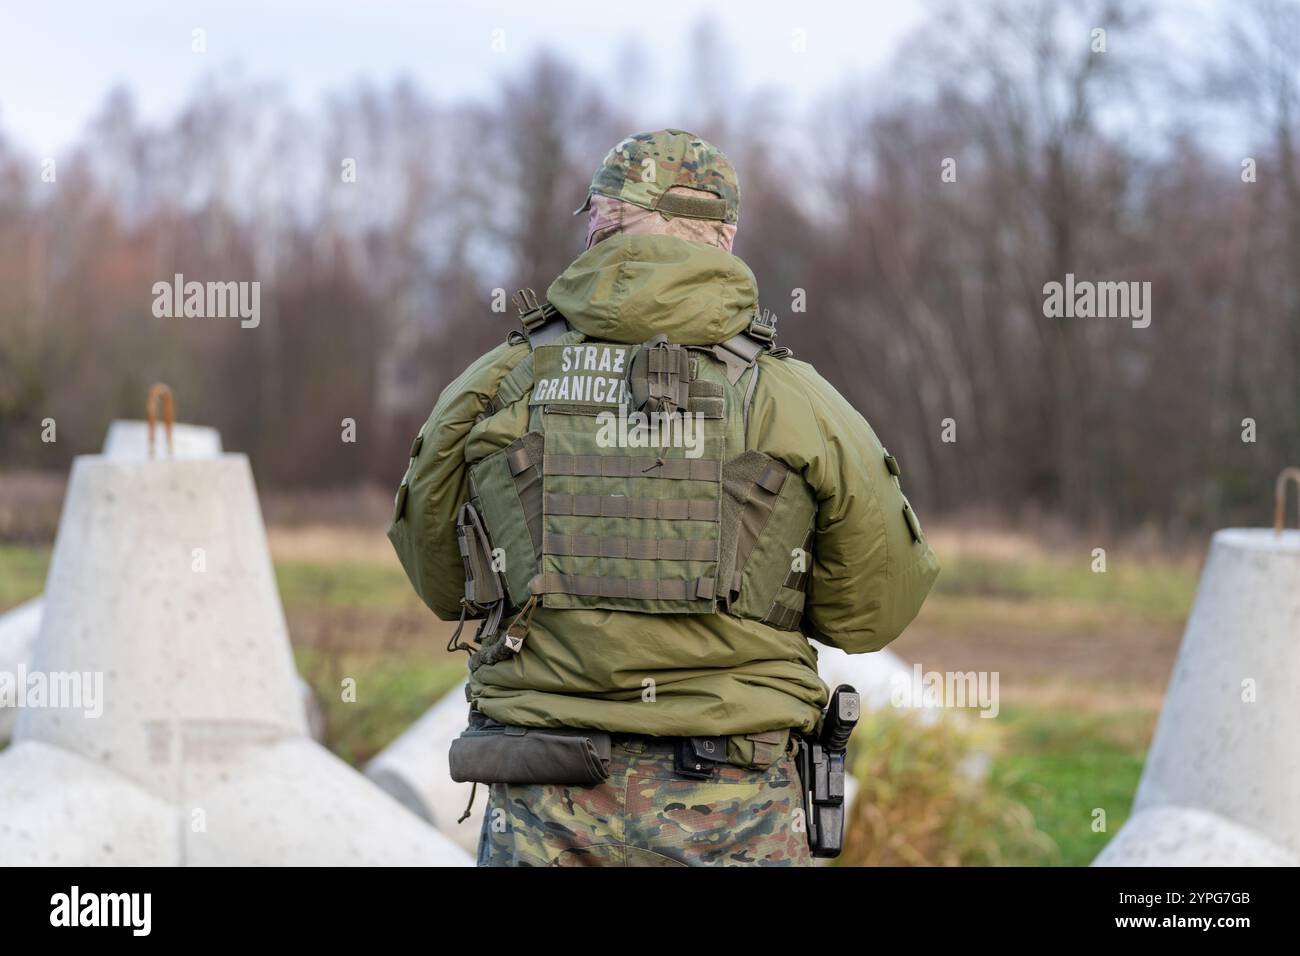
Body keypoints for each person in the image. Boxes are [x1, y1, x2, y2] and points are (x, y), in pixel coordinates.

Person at [388, 129, 940, 866]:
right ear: (724, 239)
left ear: (603, 225)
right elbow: (870, 613)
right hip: (735, 805)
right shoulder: (798, 400)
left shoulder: (496, 384)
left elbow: (441, 580)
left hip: (545, 799)